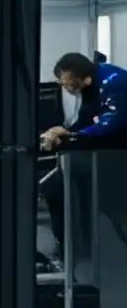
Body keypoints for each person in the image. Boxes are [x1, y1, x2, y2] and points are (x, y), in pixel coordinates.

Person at [39, 52, 127, 255]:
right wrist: (66, 133)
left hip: (116, 155)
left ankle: (84, 251)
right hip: (104, 155)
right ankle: (73, 249)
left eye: (68, 84)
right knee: (56, 190)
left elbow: (111, 125)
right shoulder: (89, 87)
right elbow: (86, 120)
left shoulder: (114, 82)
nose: (66, 89)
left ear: (84, 78)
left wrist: (73, 135)